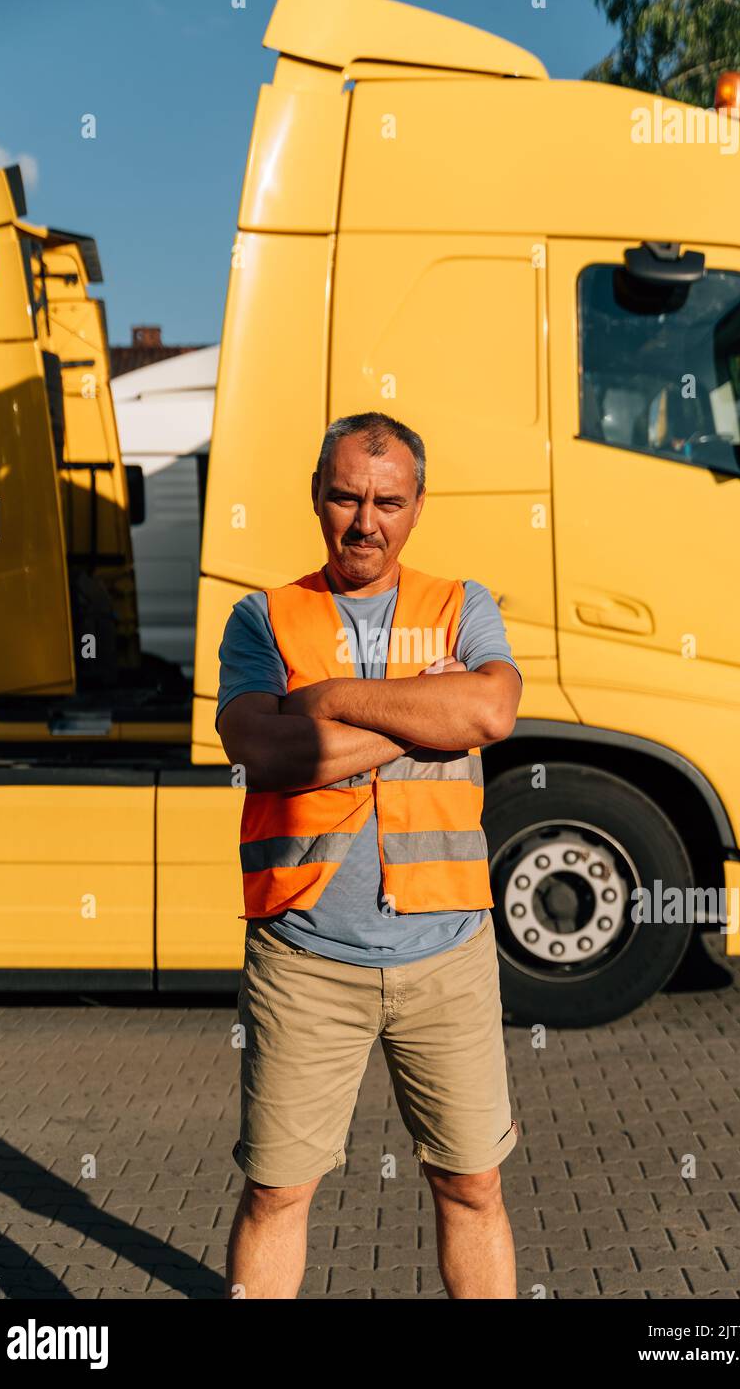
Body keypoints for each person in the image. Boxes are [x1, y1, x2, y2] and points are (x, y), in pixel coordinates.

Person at [216, 411, 523, 1299]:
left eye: (388, 501)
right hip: (305, 956)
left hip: (449, 955)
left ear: (418, 505)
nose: (365, 521)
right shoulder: (263, 616)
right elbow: (266, 754)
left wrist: (334, 701)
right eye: (347, 497)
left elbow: (491, 715)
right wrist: (419, 718)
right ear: (317, 497)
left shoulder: (461, 605)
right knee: (277, 1193)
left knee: (472, 1185)